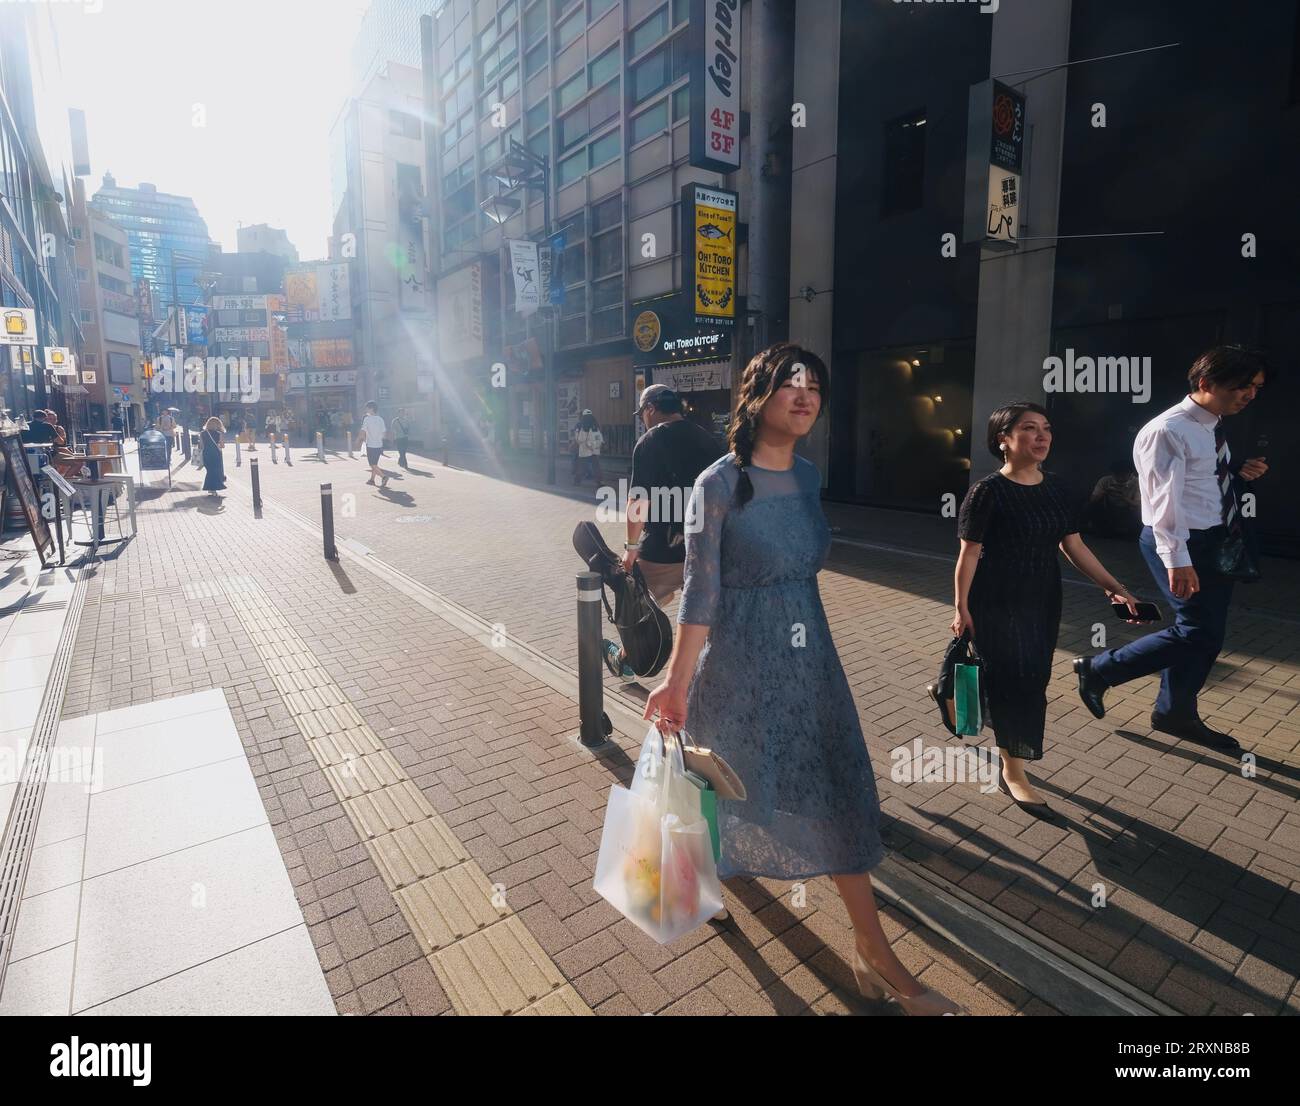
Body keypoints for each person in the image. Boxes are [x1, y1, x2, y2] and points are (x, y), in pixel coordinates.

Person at [645, 343, 963, 1016]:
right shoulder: (717, 484)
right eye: (790, 384)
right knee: (732, 794)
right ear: (755, 396)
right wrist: (675, 684)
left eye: (814, 386)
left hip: (810, 660)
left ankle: (875, 955)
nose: (805, 395)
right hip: (737, 664)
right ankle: (700, 886)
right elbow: (700, 593)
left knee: (840, 795)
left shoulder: (811, 475)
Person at [1074, 346, 1272, 753]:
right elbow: (1163, 504)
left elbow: (1202, 476)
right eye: (1242, 386)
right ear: (1206, 384)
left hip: (1214, 539)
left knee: (1208, 635)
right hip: (1181, 541)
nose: (1250, 394)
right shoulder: (1168, 430)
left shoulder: (1212, 425)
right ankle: (1099, 669)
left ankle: (1175, 712)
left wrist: (1237, 470)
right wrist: (1178, 560)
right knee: (1196, 630)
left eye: (1256, 387)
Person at [952, 402, 1142, 820]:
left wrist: (1115, 588)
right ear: (1003, 439)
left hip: (1042, 595)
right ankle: (1013, 769)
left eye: (1046, 429)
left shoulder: (1057, 488)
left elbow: (1072, 545)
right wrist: (961, 605)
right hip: (995, 597)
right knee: (1012, 678)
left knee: (1034, 675)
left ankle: (956, 697)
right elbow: (970, 554)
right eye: (1029, 429)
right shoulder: (987, 492)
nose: (1042, 437)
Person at [603, 384, 722, 681]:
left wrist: (631, 549)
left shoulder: (649, 441)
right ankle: (704, 670)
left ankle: (628, 661)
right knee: (705, 609)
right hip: (707, 548)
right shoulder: (708, 440)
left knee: (635, 603)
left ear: (651, 409)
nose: (643, 418)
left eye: (642, 412)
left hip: (663, 549)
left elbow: (638, 501)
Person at [1086, 459, 1141, 538]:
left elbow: (1138, 504)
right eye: (1117, 475)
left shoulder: (1137, 482)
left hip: (1128, 510)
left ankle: (1132, 534)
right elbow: (1092, 500)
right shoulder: (1105, 481)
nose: (1120, 478)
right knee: (1091, 506)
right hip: (1109, 508)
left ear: (1130, 474)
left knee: (1138, 511)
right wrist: (1105, 491)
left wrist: (1123, 497)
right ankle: (1098, 530)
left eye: (1123, 475)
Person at [356, 401, 390, 487]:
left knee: (372, 464)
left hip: (371, 445)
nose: (366, 410)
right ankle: (372, 480)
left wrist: (358, 441)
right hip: (379, 445)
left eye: (367, 408)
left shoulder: (367, 419)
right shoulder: (380, 419)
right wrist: (379, 438)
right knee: (375, 464)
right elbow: (384, 433)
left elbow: (362, 431)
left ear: (371, 409)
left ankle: (384, 477)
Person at [572, 410, 603, 485]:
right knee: (596, 465)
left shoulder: (580, 425)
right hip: (593, 448)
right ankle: (599, 481)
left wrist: (575, 444)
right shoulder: (594, 424)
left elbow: (578, 438)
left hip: (584, 449)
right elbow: (598, 436)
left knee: (582, 465)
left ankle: (577, 481)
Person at [200, 416, 227, 496]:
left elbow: (201, 446)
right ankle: (213, 488)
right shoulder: (219, 434)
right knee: (214, 471)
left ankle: (210, 488)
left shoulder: (202, 433)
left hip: (206, 454)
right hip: (216, 454)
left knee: (210, 471)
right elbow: (222, 445)